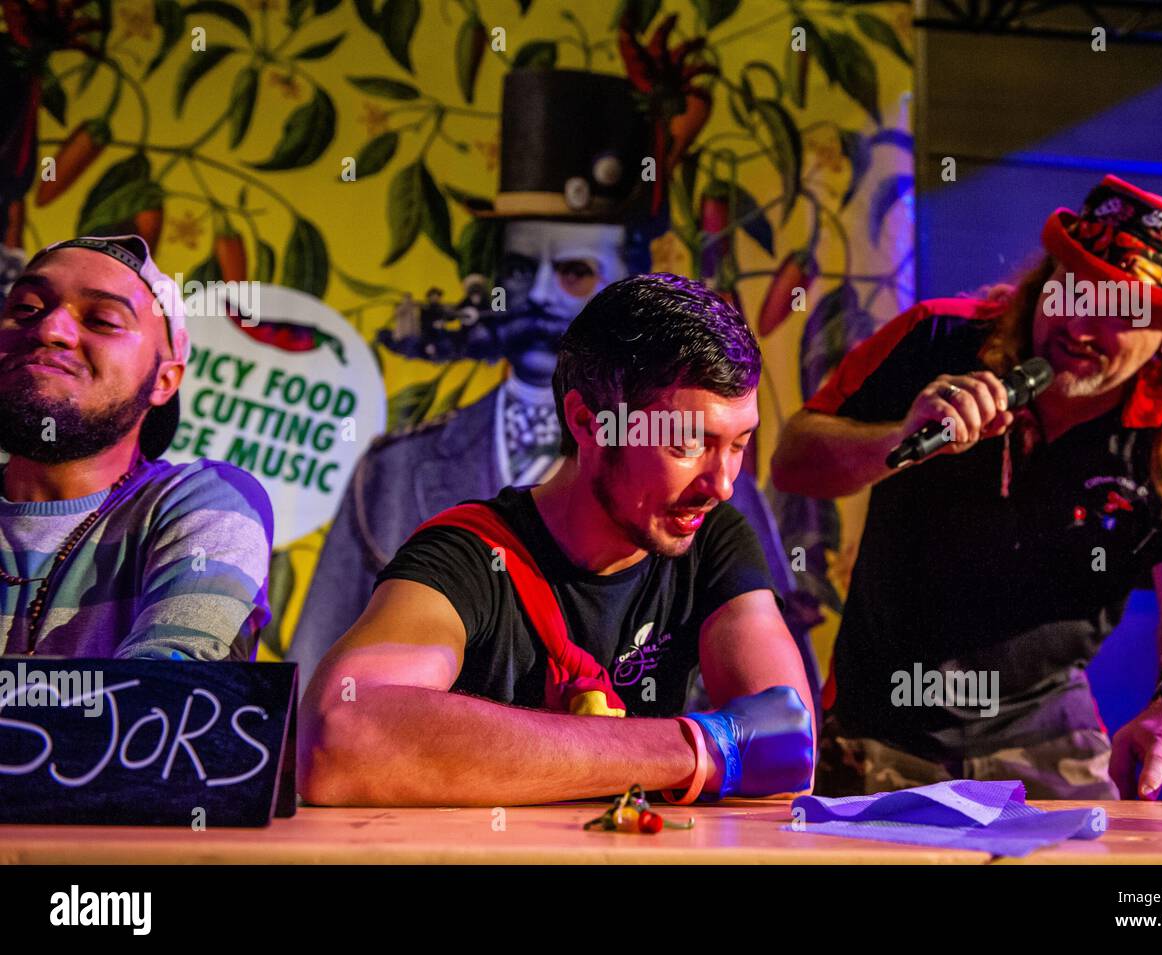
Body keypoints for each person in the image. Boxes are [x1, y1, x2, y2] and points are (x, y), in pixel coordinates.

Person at [289, 69, 820, 706]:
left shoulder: (718, 526)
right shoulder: (400, 478)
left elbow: (789, 731)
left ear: (624, 277)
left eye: (573, 271)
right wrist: (687, 751)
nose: (538, 295)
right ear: (589, 421)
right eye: (518, 268)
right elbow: (324, 712)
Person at [773, 175, 1162, 804]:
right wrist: (897, 439)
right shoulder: (936, 338)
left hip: (1050, 730)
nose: (1082, 325)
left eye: (1122, 312)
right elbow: (793, 462)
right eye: (1073, 290)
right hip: (879, 722)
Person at [299, 274, 815, 806]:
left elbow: (787, 750)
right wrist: (700, 748)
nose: (721, 485)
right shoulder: (468, 555)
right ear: (589, 423)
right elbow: (341, 732)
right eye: (687, 446)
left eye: (738, 445)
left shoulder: (712, 536)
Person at [0, 234, 273, 659]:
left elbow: (162, 702)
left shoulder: (204, 500)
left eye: (103, 320)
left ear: (164, 381)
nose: (50, 329)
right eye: (26, 309)